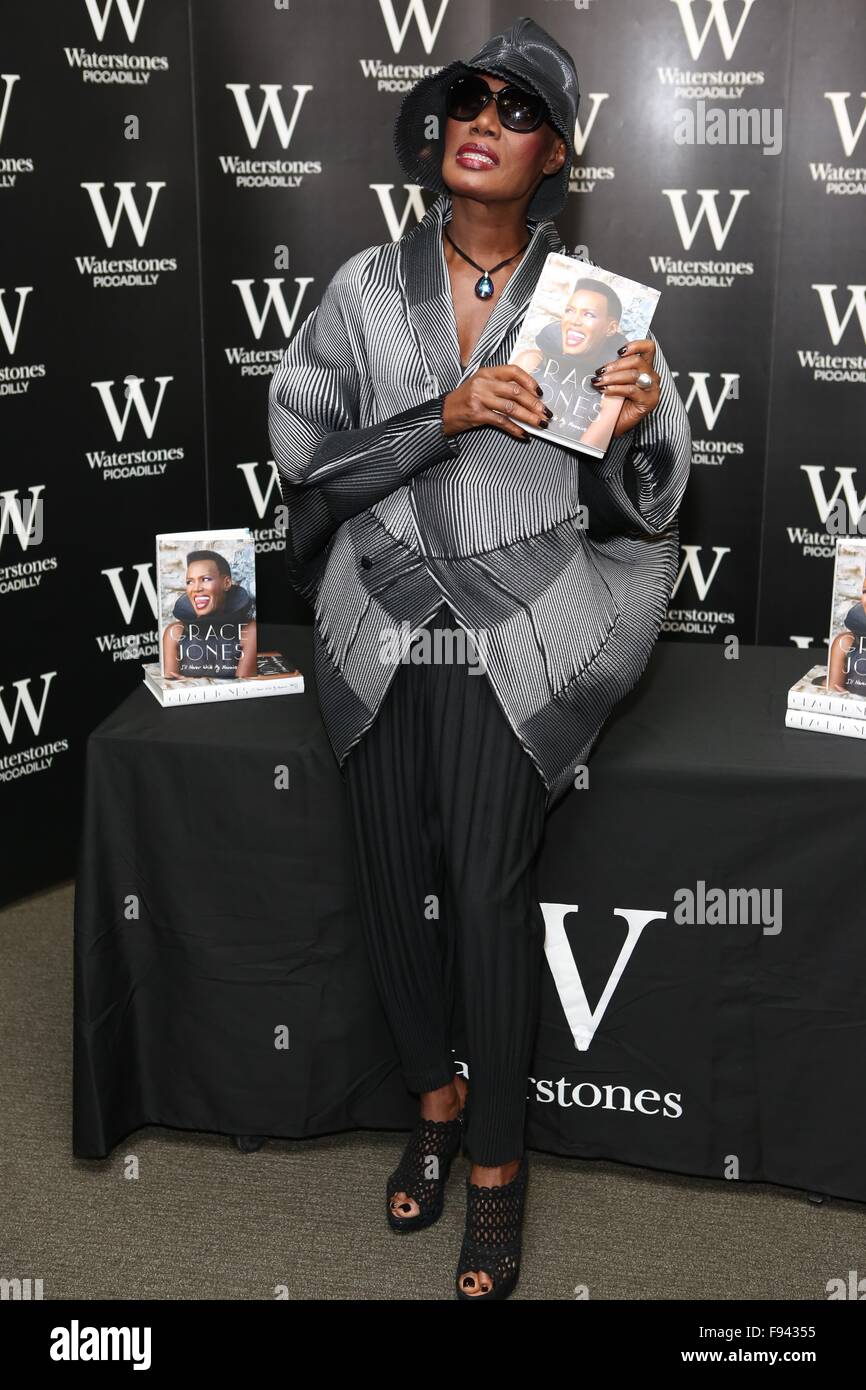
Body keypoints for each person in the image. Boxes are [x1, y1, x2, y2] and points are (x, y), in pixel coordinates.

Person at [268, 15, 691, 1299]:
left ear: (551, 152)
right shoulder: (358, 288)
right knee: (393, 883)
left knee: (491, 903)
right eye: (465, 102)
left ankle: (497, 1176)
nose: (480, 123)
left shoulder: (592, 312)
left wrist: (636, 413)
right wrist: (438, 413)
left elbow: (650, 504)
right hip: (378, 624)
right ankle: (436, 1106)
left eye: (512, 111)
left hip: (518, 630)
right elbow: (303, 463)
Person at [161, 549, 257, 680]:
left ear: (227, 583)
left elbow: (243, 688)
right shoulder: (174, 633)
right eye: (190, 581)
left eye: (205, 579)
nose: (196, 588)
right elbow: (170, 688)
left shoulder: (249, 630)